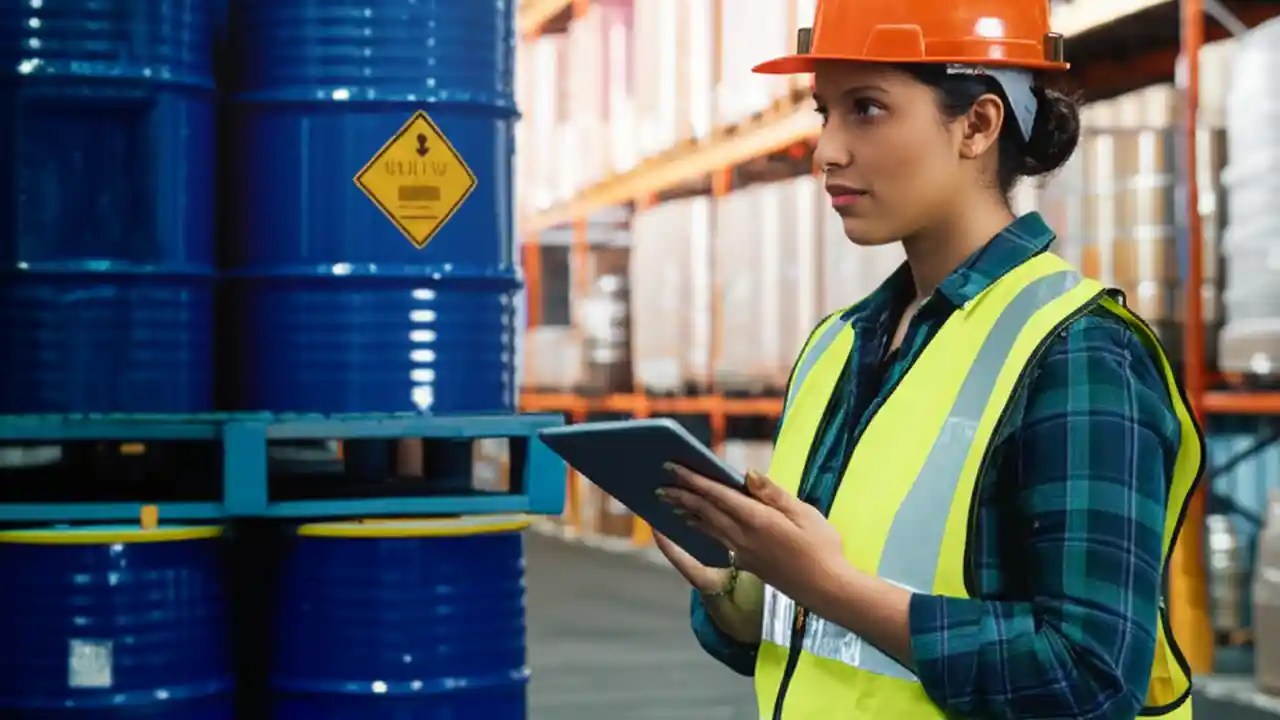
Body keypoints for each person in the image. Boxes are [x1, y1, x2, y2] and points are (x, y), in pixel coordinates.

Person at [650, 1, 1203, 718]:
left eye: (868, 109)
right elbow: (817, 646)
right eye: (825, 113)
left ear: (977, 124)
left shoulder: (1079, 351)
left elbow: (1089, 680)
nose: (827, 151)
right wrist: (742, 593)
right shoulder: (838, 347)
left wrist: (829, 587)